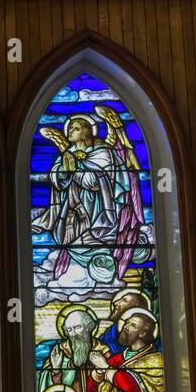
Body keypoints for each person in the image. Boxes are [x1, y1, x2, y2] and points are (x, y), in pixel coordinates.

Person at [33, 111, 144, 288]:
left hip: (100, 211)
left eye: (76, 128)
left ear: (86, 132)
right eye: (69, 128)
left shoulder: (103, 152)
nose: (70, 132)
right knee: (73, 243)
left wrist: (76, 164)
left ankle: (101, 278)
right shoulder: (69, 152)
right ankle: (76, 280)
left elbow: (95, 181)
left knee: (95, 242)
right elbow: (58, 179)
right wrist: (66, 164)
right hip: (76, 210)